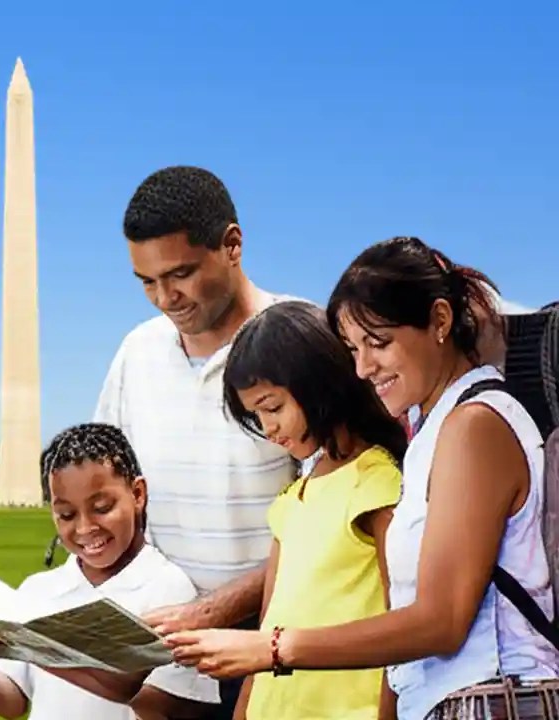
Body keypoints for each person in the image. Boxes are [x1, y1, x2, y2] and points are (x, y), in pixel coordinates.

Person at [165, 237, 559, 719]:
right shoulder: (436, 431)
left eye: (379, 343)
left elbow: (443, 621)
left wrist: (274, 648)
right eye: (353, 348)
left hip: (495, 698)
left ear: (440, 321)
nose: (362, 367)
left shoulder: (473, 425)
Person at [93, 165, 302, 716]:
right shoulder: (137, 353)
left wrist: (215, 611)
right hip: (171, 657)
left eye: (180, 274)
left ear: (232, 245)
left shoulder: (305, 343)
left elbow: (336, 530)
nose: (166, 297)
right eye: (146, 281)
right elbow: (107, 498)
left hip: (277, 651)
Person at [0, 422, 219, 719]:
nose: (84, 528)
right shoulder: (39, 589)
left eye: (102, 507)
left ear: (137, 494)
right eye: (66, 514)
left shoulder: (168, 588)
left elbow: (169, 707)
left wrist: (45, 651)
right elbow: (12, 702)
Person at [220, 300, 408, 719]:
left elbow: (403, 634)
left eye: (273, 408)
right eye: (256, 415)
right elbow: (265, 633)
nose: (267, 428)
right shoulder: (290, 502)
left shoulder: (376, 482)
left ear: (320, 384)